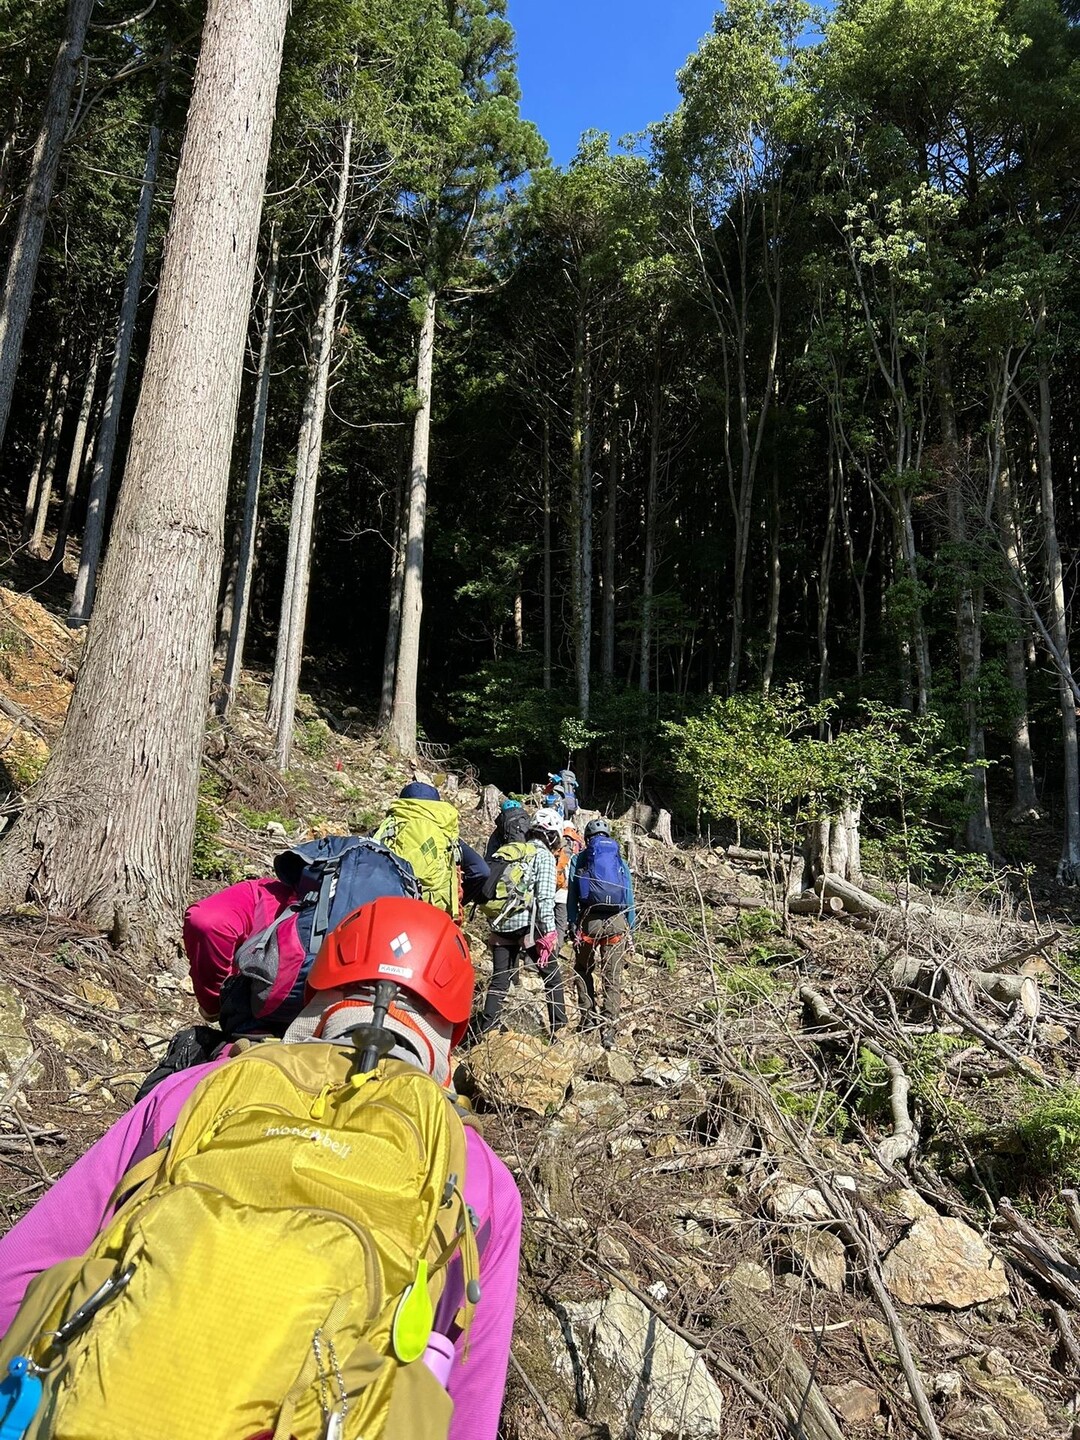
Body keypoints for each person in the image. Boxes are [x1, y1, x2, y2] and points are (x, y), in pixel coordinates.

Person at [0, 897, 522, 1440]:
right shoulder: (481, 1176)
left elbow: (18, 1274)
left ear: (317, 993)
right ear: (449, 1036)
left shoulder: (196, 1090)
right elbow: (468, 1401)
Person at [478, 813, 564, 1038]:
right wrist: (551, 932)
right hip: (529, 925)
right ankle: (559, 1030)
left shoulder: (513, 851)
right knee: (552, 977)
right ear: (553, 836)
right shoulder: (543, 856)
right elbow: (545, 899)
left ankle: (486, 1031)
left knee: (499, 980)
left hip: (501, 923)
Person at [568, 819, 636, 1049]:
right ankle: (609, 1031)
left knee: (582, 969)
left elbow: (572, 896)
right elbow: (628, 896)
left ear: (587, 839)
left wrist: (571, 922)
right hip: (616, 922)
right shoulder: (620, 861)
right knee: (612, 976)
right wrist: (631, 926)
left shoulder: (580, 859)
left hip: (589, 922)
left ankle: (587, 1018)